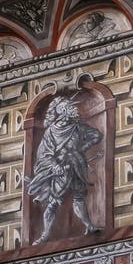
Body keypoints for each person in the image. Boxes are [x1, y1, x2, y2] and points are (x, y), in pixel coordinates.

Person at [26, 94, 102, 244]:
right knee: (53, 202)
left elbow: (97, 136)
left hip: (77, 165)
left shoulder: (78, 126)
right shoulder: (51, 132)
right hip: (61, 168)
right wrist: (55, 166)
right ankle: (45, 235)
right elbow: (44, 154)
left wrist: (81, 150)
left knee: (79, 197)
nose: (74, 109)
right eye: (70, 107)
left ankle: (89, 226)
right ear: (62, 110)